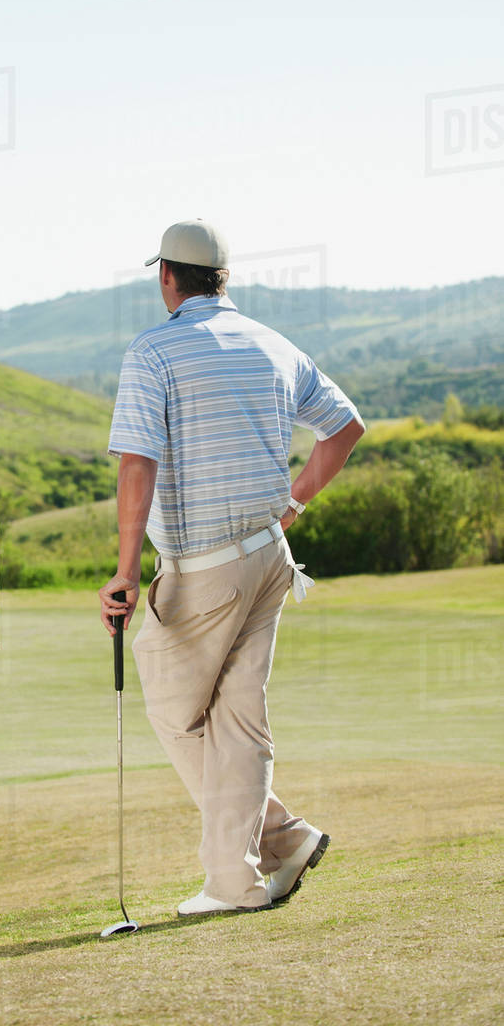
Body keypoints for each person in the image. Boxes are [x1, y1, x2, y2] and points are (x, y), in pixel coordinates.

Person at [98, 220, 364, 917]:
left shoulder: (154, 349)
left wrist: (127, 570)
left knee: (175, 710)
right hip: (268, 557)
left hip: (204, 568)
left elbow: (137, 462)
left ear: (166, 277)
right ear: (223, 277)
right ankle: (270, 847)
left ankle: (244, 869)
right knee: (239, 720)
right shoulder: (272, 345)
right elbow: (345, 427)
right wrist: (294, 507)